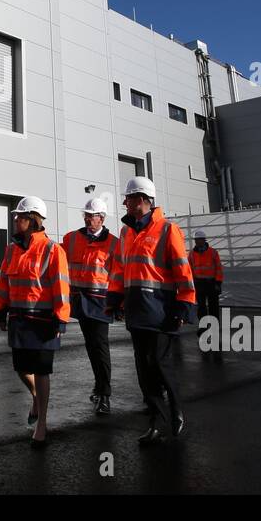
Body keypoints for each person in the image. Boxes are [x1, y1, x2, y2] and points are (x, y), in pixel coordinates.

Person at [106, 176, 197, 445]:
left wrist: (184, 305)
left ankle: (176, 408)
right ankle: (156, 422)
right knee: (144, 369)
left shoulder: (169, 230)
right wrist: (115, 301)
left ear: (143, 200)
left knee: (159, 364)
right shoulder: (126, 232)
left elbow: (183, 268)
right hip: (136, 310)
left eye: (129, 198)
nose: (125, 202)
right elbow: (120, 269)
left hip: (161, 310)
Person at [0, 196, 70, 448]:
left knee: (41, 371)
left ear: (34, 220)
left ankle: (42, 424)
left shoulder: (52, 249)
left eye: (22, 216)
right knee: (19, 368)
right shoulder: (12, 249)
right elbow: (3, 281)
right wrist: (0, 310)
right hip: (18, 319)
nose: (16, 220)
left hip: (44, 321)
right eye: (17, 216)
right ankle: (37, 397)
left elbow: (60, 286)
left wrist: (61, 318)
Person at [62, 196, 121, 415]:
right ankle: (99, 386)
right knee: (91, 346)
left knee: (100, 347)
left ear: (102, 218)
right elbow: (57, 256)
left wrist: (119, 303)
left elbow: (118, 274)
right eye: (86, 215)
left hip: (101, 302)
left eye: (92, 216)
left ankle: (104, 394)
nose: (88, 219)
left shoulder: (114, 243)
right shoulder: (71, 239)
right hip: (80, 301)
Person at [190, 229, 224, 359]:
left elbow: (219, 268)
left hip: (211, 283)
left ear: (204, 240)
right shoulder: (192, 254)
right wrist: (192, 284)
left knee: (214, 307)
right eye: (196, 240)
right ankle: (203, 328)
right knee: (202, 308)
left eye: (199, 240)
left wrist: (218, 282)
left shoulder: (213, 252)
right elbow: (190, 269)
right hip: (199, 284)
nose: (197, 242)